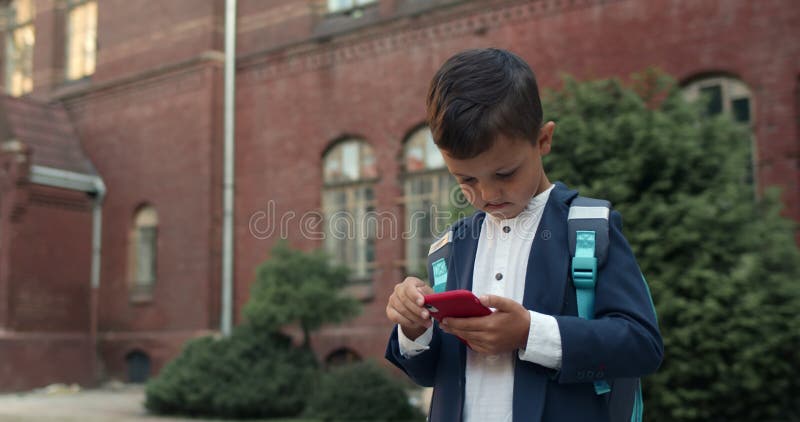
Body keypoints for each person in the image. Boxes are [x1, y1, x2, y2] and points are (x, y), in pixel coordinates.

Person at [385, 48, 663, 422]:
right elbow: (429, 372)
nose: (487, 195)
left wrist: (530, 333)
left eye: (504, 174)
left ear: (543, 141)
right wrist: (413, 329)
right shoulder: (452, 248)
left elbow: (642, 345)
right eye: (466, 179)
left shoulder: (587, 227)